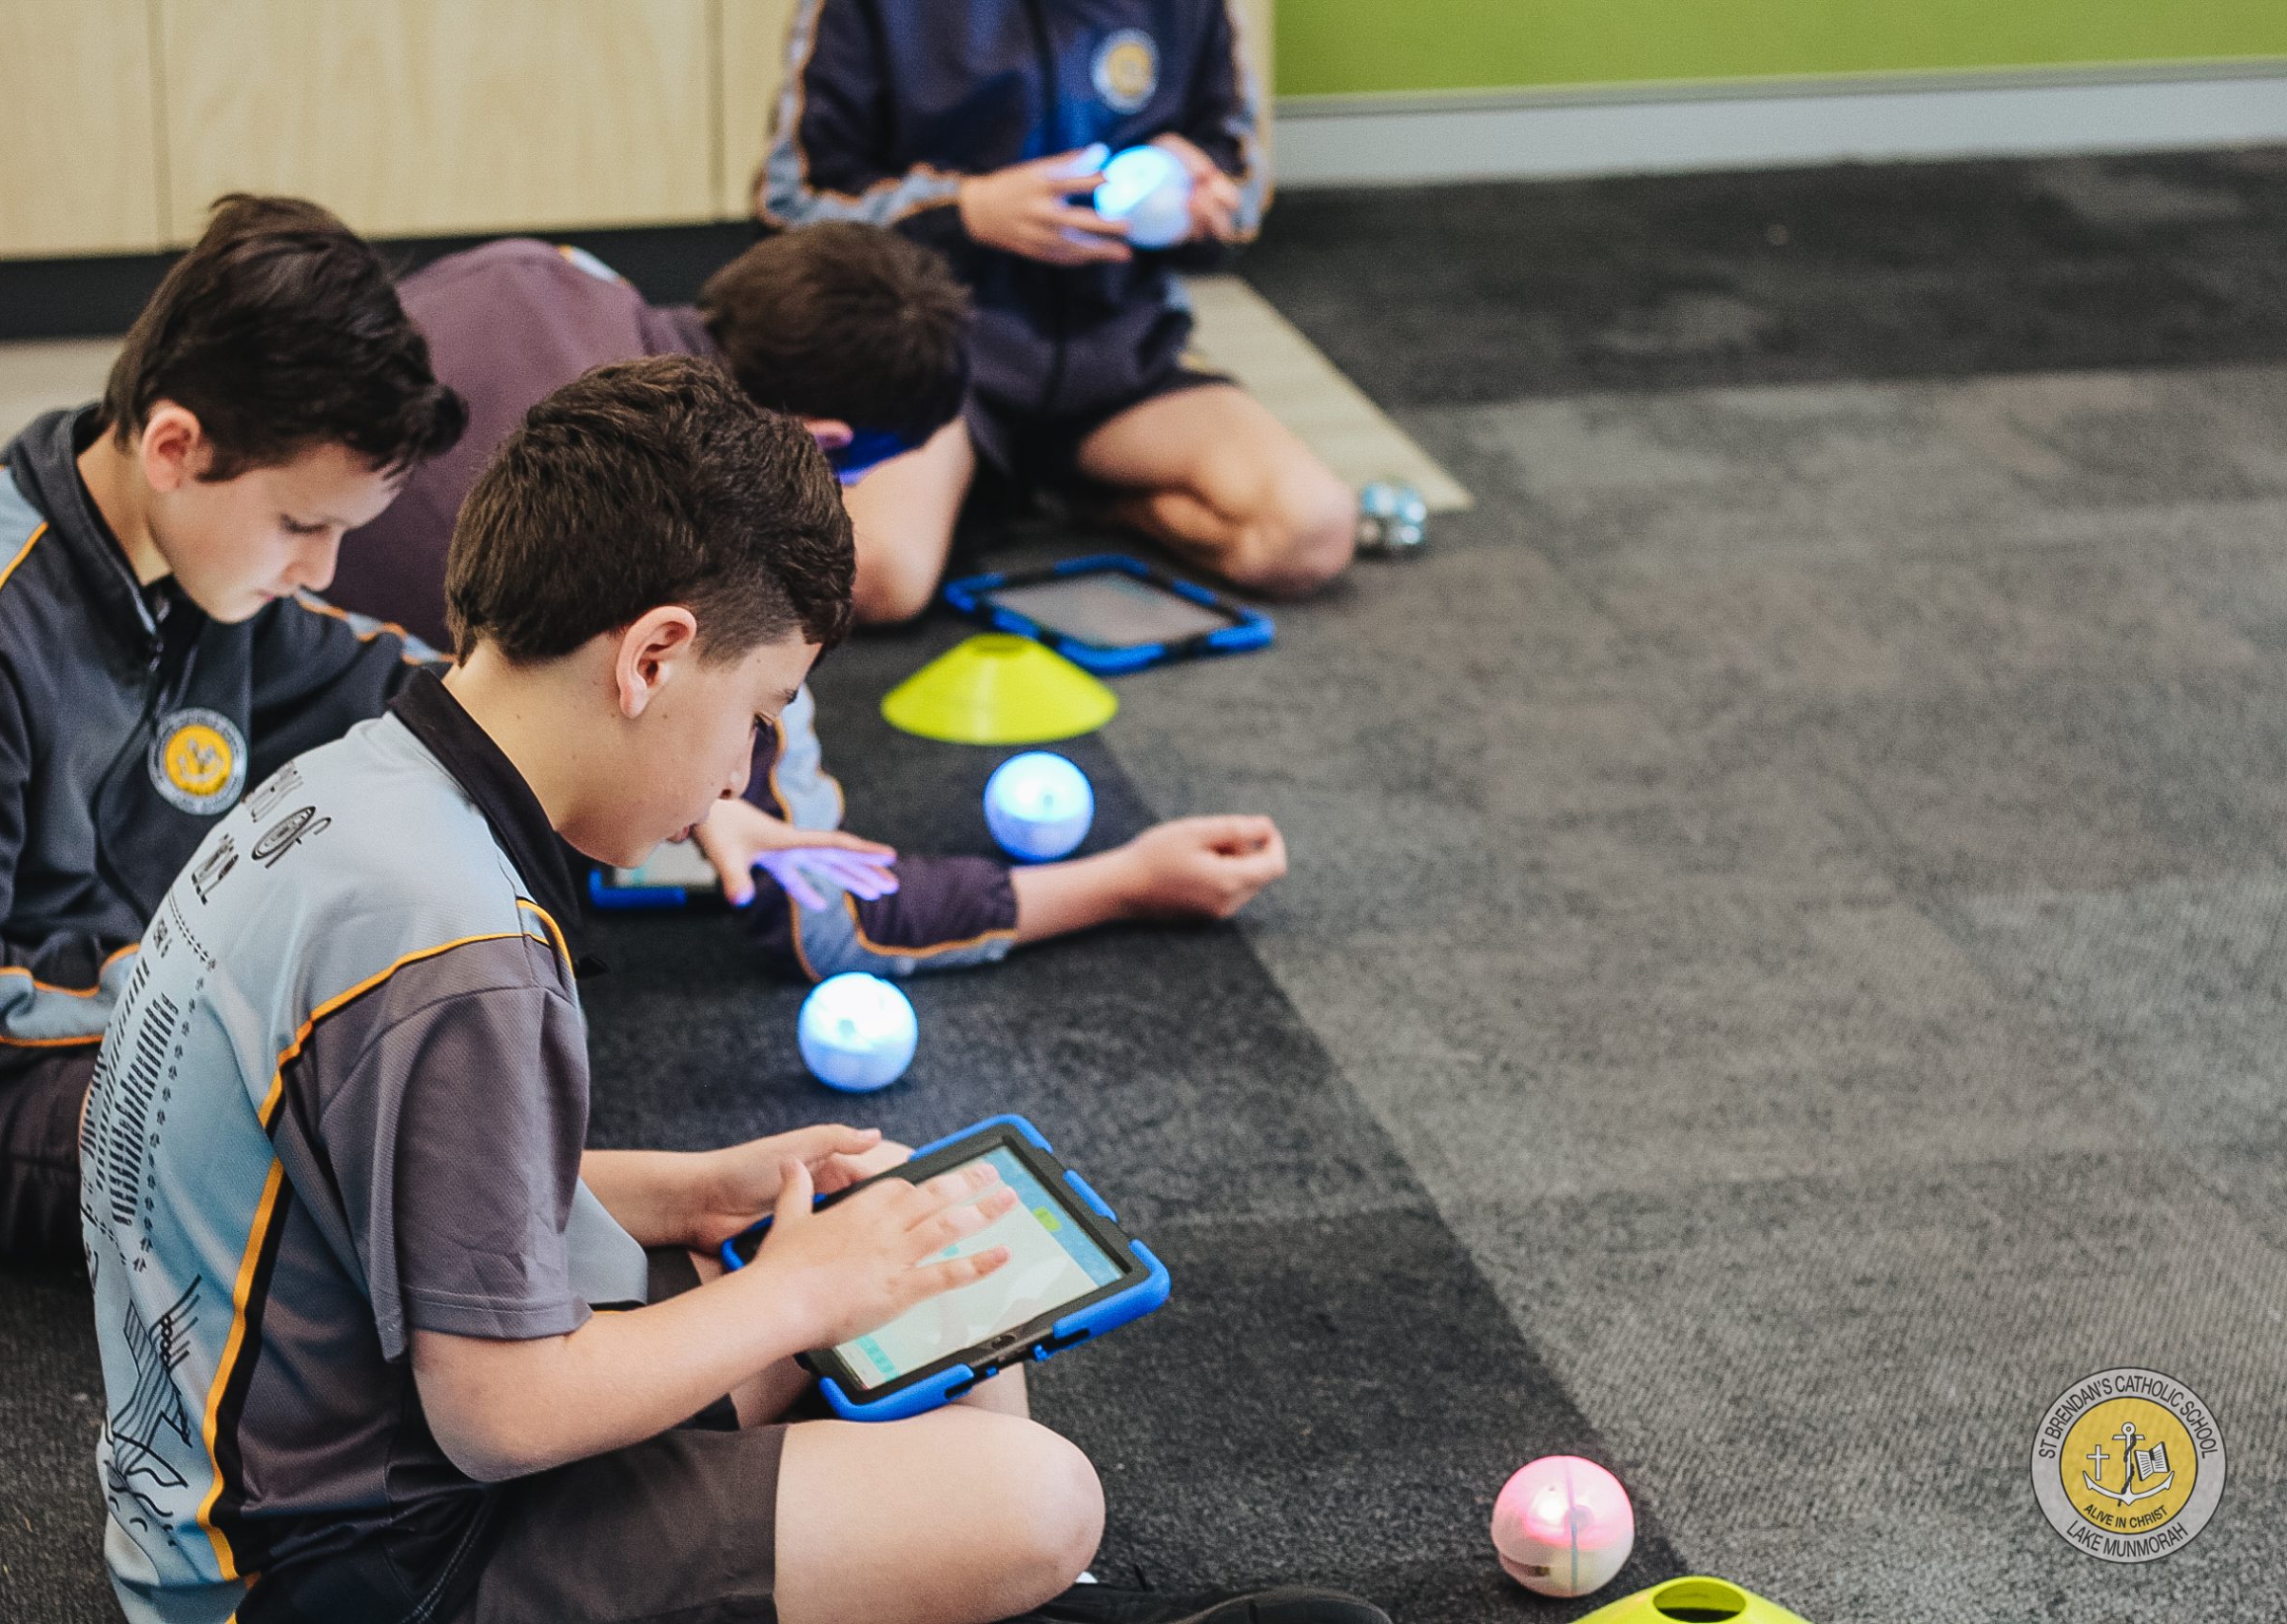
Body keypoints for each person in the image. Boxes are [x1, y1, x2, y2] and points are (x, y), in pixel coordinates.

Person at [82, 357, 1388, 1624]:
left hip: (250, 1496)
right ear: (653, 656)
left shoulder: (354, 791)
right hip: (364, 1566)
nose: (741, 777)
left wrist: (695, 1184)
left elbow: (369, 1187)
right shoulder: (458, 948)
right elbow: (501, 1414)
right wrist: (794, 1293)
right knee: (1031, 1497)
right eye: (761, 711)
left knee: (898, 1293)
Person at [329, 231, 1289, 986]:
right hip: (395, 835)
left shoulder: (543, 264)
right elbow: (830, 917)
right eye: (857, 479)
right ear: (821, 443)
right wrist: (1126, 883)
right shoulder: (714, 555)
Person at [0, 194, 464, 1262]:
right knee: (322, 1155)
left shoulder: (202, 559)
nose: (318, 569)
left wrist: (593, 750)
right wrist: (206, 993)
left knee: (391, 1075)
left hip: (101, 990)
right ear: (175, 446)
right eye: (299, 525)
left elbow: (392, 683)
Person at [756, 0, 1357, 624]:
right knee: (873, 577)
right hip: (936, 370)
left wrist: (1202, 197)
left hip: (1121, 365)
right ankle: (973, 487)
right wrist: (966, 210)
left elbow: (1240, 186)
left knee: (1310, 532)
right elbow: (788, 206)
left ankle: (1083, 497)